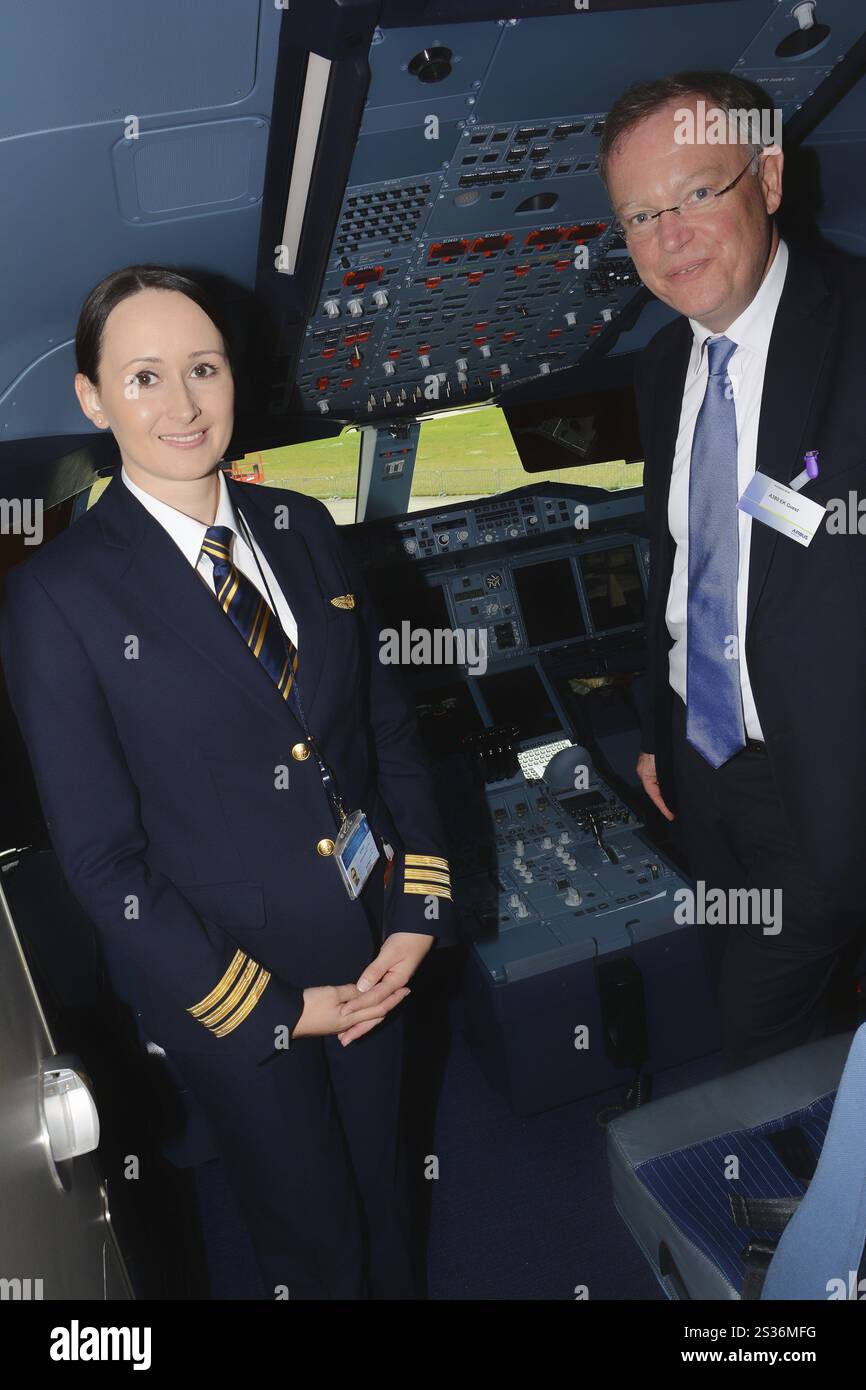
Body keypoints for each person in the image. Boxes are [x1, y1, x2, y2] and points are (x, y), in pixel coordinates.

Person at [0, 264, 457, 1299]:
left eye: (202, 369)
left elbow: (384, 734)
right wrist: (271, 1009)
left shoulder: (304, 528)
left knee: (387, 1193)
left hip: (373, 944)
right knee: (308, 1236)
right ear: (91, 397)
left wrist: (414, 910)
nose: (182, 404)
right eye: (145, 376)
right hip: (236, 983)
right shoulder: (56, 598)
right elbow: (101, 859)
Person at [598, 71, 866, 1072]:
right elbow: (675, 557)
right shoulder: (663, 366)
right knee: (736, 985)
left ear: (765, 175)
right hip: (702, 770)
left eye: (696, 193)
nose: (668, 239)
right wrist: (660, 725)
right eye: (639, 215)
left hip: (829, 785)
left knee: (756, 1041)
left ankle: (790, 1223)